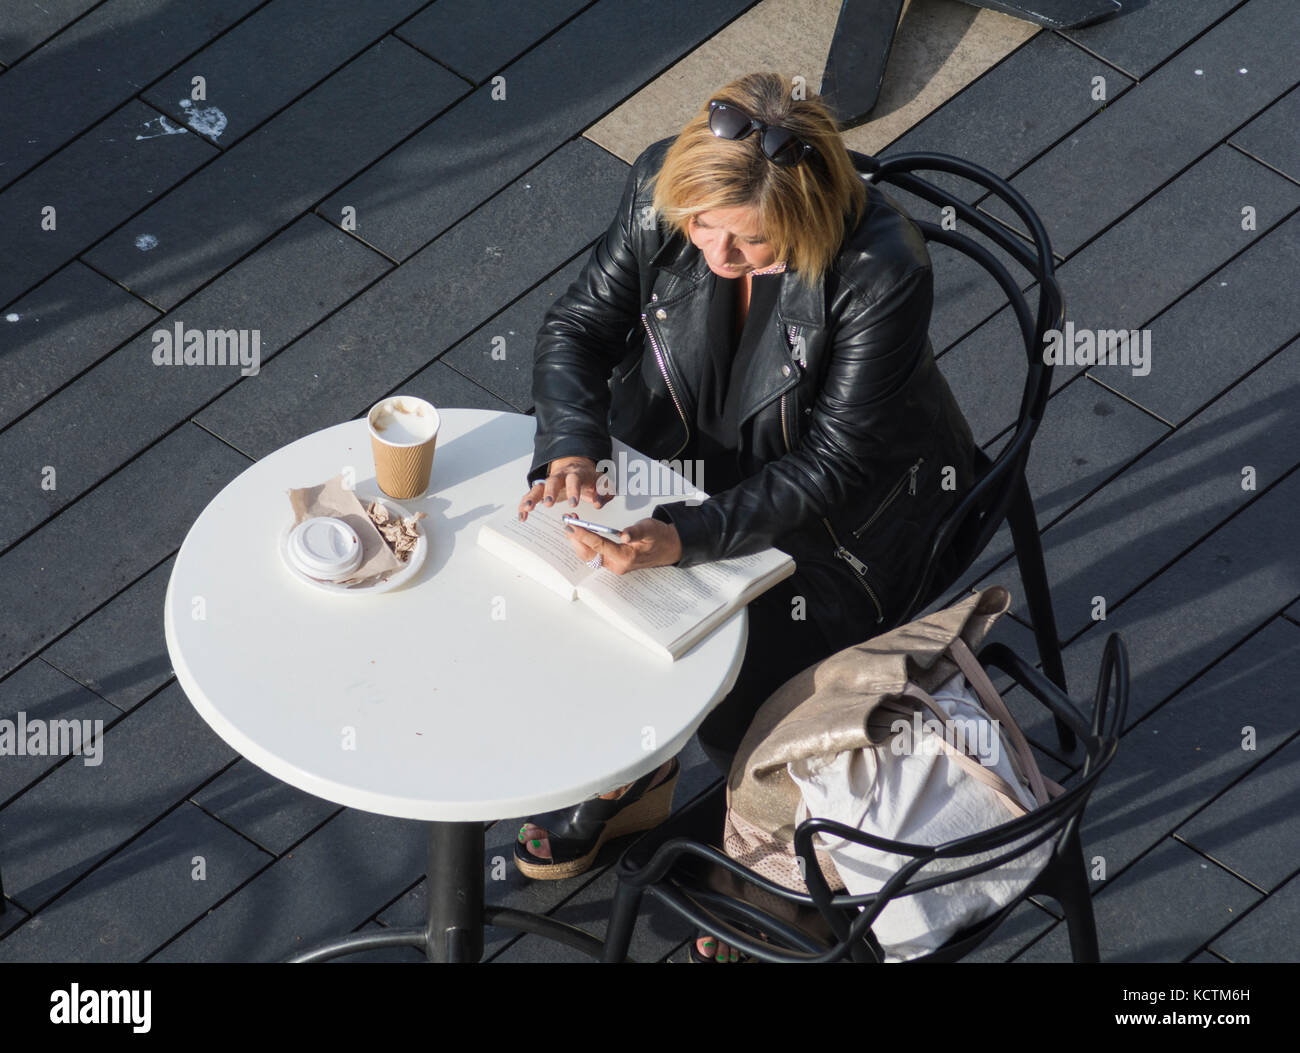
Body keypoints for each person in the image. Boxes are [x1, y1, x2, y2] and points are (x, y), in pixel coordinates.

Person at [511, 72, 978, 958]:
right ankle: (641, 772)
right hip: (683, 461)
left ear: (803, 223)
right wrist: (572, 444)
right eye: (699, 228)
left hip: (851, 520)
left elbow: (834, 466)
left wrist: (686, 538)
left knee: (739, 693)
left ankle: (764, 852)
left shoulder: (884, 270)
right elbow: (578, 325)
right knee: (583, 609)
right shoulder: (665, 188)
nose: (716, 255)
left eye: (751, 245)